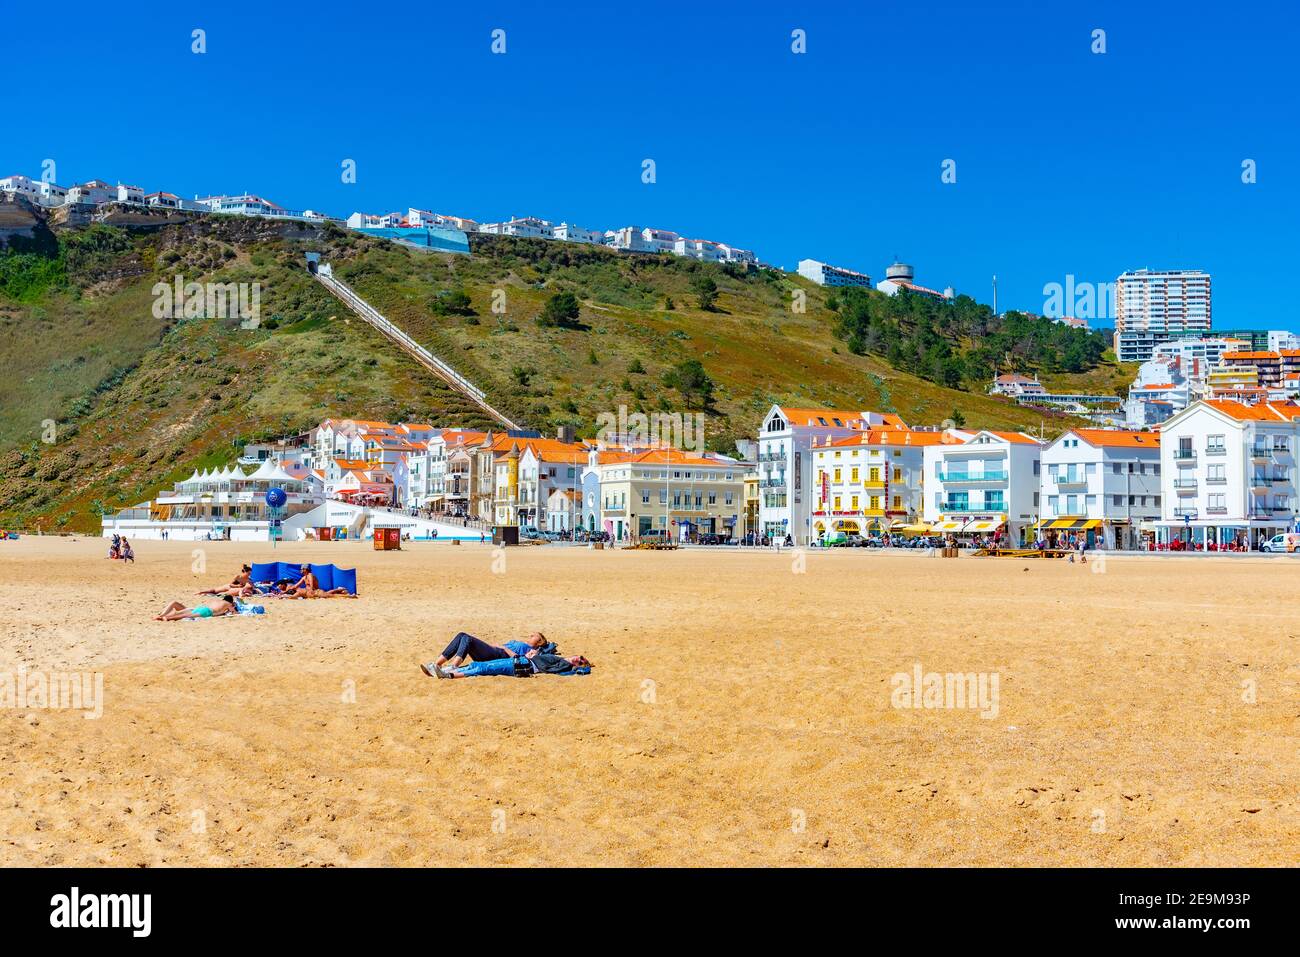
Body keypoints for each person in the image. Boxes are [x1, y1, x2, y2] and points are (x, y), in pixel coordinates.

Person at [421, 631, 549, 676]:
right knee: (462, 635)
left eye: (535, 636)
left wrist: (503, 648)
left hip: (500, 656)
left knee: (467, 638)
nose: (531, 635)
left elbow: (520, 660)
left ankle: (453, 666)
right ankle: (436, 665)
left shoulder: (530, 650)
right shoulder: (522, 643)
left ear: (539, 642)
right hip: (494, 651)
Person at [439, 653, 592, 679]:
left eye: (579, 661)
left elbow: (582, 671)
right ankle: (449, 669)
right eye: (579, 657)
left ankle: (450, 675)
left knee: (484, 669)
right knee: (480, 664)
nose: (577, 659)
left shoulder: (564, 665)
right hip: (518, 661)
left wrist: (582, 668)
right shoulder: (559, 658)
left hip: (521, 666)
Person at [285, 564, 354, 598]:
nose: (301, 570)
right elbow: (296, 586)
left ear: (306, 569)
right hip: (314, 592)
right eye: (301, 569)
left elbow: (311, 584)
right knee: (328, 593)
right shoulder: (303, 578)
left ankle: (349, 596)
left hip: (316, 591)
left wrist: (310, 591)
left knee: (331, 596)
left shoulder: (310, 575)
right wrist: (285, 591)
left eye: (303, 569)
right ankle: (339, 589)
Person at [155, 594, 237, 621]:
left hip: (200, 607)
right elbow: (234, 612)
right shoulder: (228, 604)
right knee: (185, 616)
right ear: (230, 601)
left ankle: (162, 615)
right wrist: (234, 607)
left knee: (181, 611)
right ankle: (166, 618)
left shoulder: (217, 601)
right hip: (207, 611)